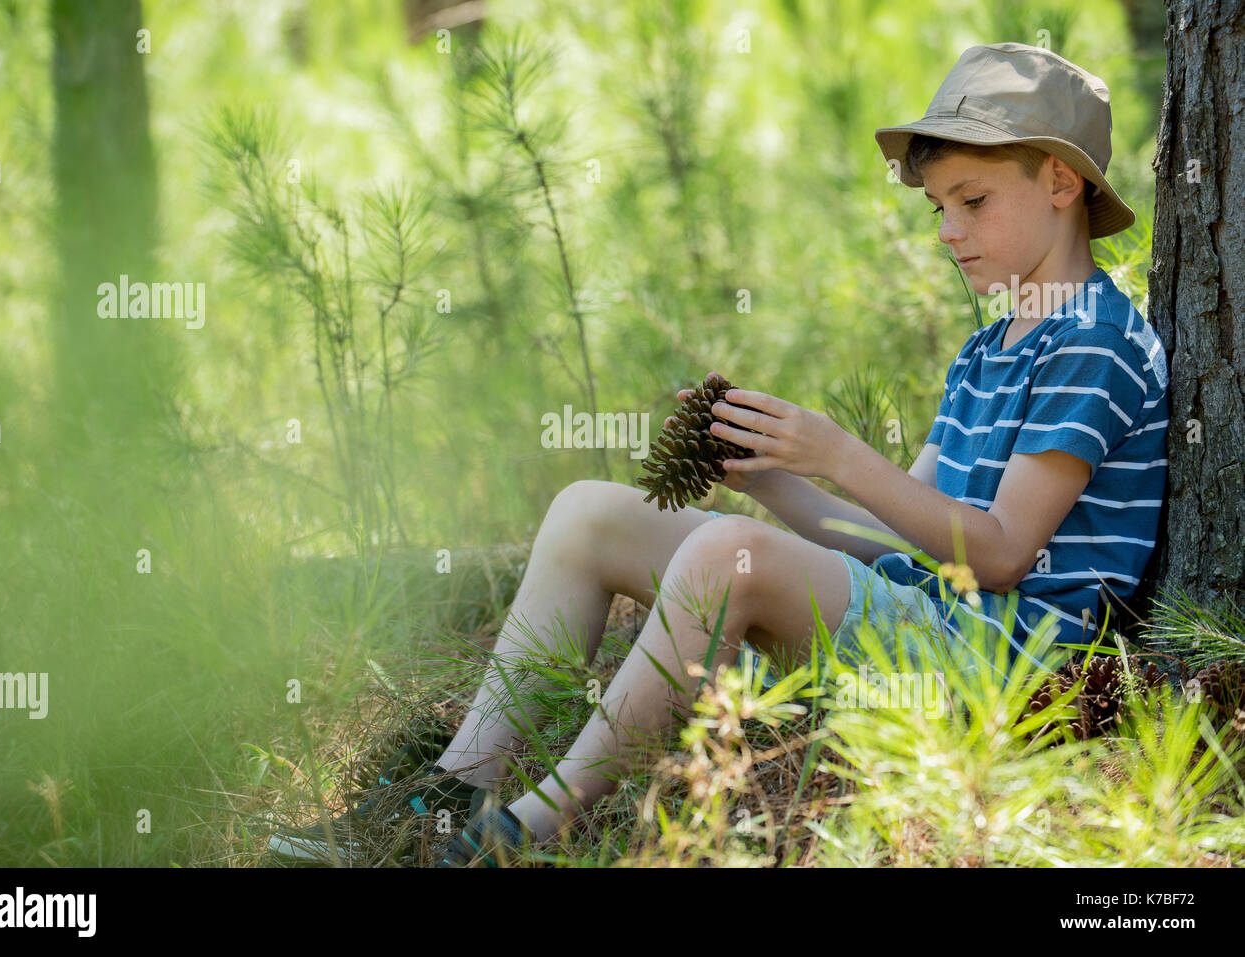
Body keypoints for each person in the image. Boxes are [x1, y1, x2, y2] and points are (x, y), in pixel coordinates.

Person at [270, 41, 1168, 868]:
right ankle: (450, 792)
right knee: (590, 512)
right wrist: (772, 471)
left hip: (1001, 675)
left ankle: (523, 830)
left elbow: (1004, 550)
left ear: (1059, 181)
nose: (946, 232)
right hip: (926, 626)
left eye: (973, 202)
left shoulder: (1091, 339)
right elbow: (891, 545)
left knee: (723, 555)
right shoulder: (989, 347)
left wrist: (840, 451)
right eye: (939, 208)